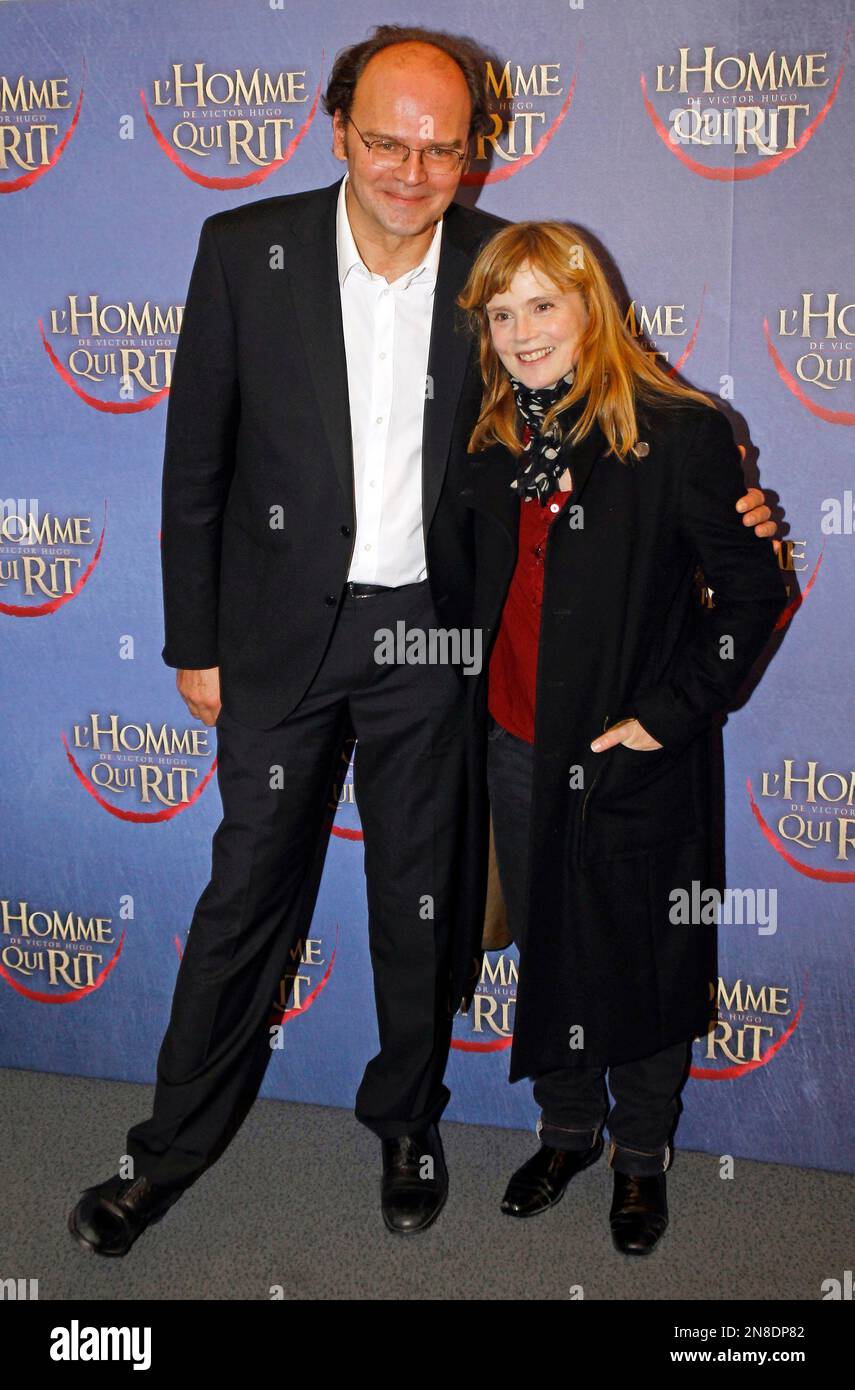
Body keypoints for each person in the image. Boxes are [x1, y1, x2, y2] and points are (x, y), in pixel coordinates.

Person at [67, 26, 776, 1258]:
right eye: (387, 140)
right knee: (245, 899)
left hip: (433, 644)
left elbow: (611, 388)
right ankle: (166, 1148)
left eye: (441, 146)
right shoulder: (245, 250)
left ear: (471, 152)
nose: (411, 168)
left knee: (420, 904)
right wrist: (196, 641)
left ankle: (406, 1120)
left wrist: (738, 492)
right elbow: (197, 468)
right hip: (277, 640)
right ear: (337, 129)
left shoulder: (497, 269)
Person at [456, 220, 786, 1255]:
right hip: (513, 740)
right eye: (502, 314)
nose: (521, 332)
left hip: (630, 752)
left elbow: (751, 591)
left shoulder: (679, 430)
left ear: (591, 308)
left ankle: (641, 1157)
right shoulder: (484, 436)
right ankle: (565, 1131)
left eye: (542, 305)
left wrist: (667, 717)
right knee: (551, 946)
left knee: (646, 959)